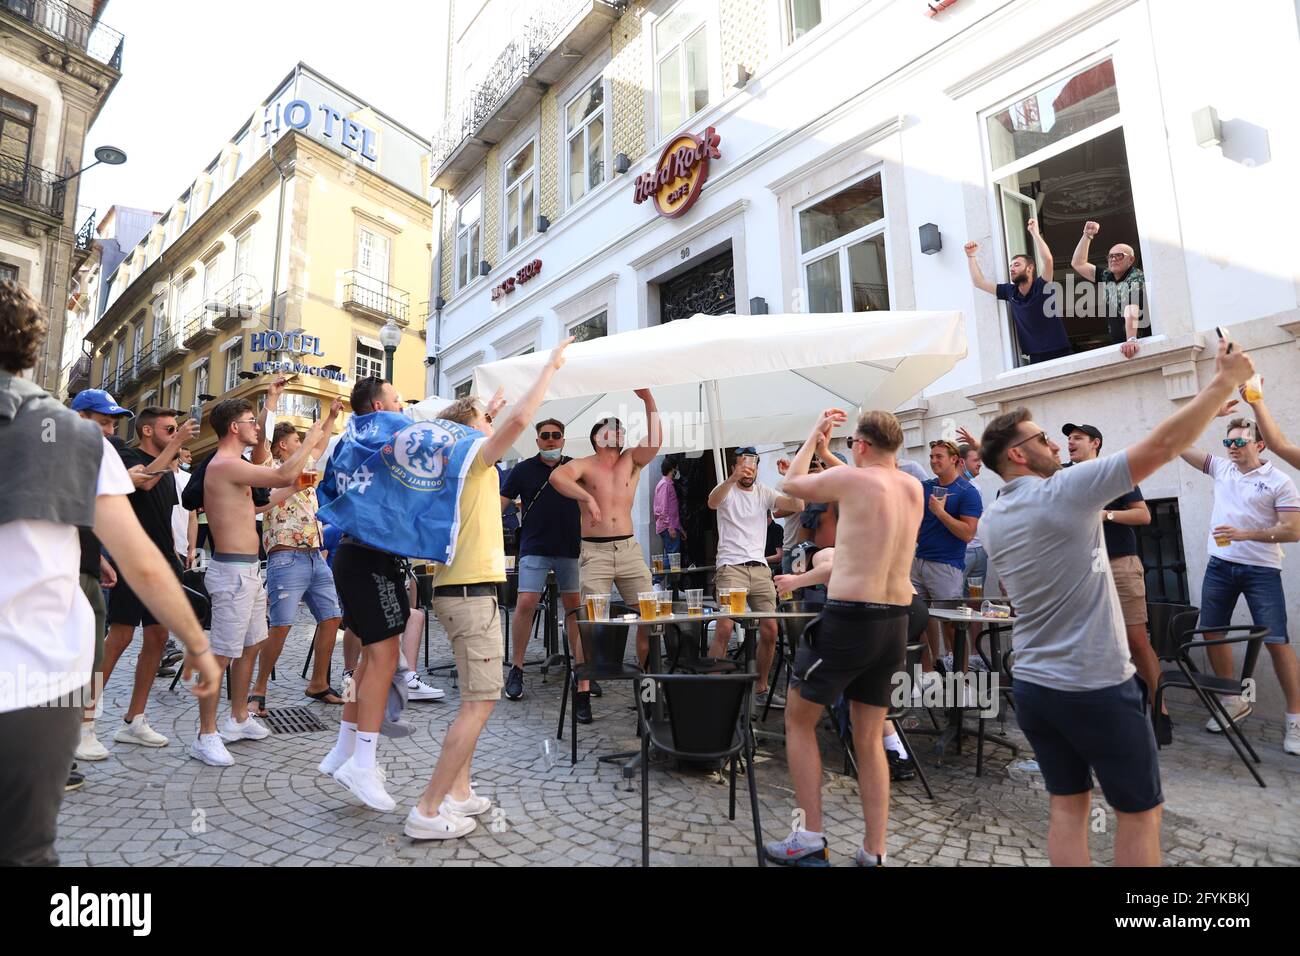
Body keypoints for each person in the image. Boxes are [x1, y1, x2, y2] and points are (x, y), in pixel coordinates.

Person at [977, 336, 1256, 866]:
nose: (1056, 446)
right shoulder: (1065, 490)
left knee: (1068, 807)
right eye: (1043, 438)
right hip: (1094, 686)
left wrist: (1202, 410)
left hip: (1035, 685)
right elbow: (1158, 447)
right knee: (1140, 812)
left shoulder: (993, 518)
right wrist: (1221, 380)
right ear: (1017, 453)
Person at [0, 280, 221, 866]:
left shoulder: (82, 437)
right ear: (29, 350)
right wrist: (199, 646)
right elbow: (143, 560)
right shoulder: (75, 438)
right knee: (24, 853)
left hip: (34, 678)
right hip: (30, 684)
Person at [405, 339, 572, 840]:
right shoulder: (474, 456)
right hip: (471, 596)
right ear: (471, 428)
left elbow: (494, 423)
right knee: (480, 701)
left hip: (459, 592)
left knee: (473, 700)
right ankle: (427, 808)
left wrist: (482, 411)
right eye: (484, 420)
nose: (492, 427)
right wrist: (549, 369)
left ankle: (459, 791)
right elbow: (521, 423)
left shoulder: (454, 459)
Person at [764, 408, 922, 867]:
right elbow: (860, 477)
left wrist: (812, 438)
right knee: (869, 737)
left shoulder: (855, 481)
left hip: (851, 618)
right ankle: (875, 851)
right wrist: (831, 453)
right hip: (894, 622)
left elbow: (792, 485)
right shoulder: (910, 485)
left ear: (863, 445)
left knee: (798, 720)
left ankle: (809, 835)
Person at [195, 398, 329, 765]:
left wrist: (294, 488)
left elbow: (258, 504)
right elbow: (281, 475)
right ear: (234, 428)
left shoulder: (234, 468)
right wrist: (311, 438)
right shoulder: (223, 464)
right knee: (220, 655)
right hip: (232, 573)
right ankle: (205, 735)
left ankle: (238, 718)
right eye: (251, 421)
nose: (257, 427)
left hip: (250, 570)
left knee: (252, 644)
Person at [316, 375, 412, 810]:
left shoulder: (348, 442)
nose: (403, 406)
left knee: (366, 661)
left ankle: (344, 746)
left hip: (355, 557)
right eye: (396, 400)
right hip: (370, 559)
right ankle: (363, 763)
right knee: (384, 658)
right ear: (378, 406)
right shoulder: (380, 434)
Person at [1178, 416, 1300, 755]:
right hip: (1220, 565)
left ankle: (1296, 720)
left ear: (1259, 445)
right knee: (1212, 631)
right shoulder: (1221, 469)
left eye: (1239, 442)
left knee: (1276, 641)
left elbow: (1293, 531)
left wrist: (1245, 535)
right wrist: (1209, 412)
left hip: (1261, 569)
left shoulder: (1279, 481)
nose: (1232, 448)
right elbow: (1177, 443)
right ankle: (1233, 701)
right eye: (1228, 442)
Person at [98, 405, 199, 751]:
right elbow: (142, 483)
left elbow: (165, 514)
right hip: (131, 559)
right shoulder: (126, 455)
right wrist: (176, 446)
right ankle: (82, 717)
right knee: (120, 637)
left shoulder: (169, 469)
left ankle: (134, 719)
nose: (175, 434)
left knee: (157, 638)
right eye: (169, 429)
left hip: (162, 562)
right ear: (147, 431)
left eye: (175, 429)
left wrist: (174, 557)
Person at [1063, 423, 1165, 740]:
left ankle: (1160, 712)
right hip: (1083, 569)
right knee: (1089, 641)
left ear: (1095, 442)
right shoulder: (1063, 475)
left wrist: (1105, 515)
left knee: (1136, 639)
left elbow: (1143, 515)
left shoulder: (1115, 471)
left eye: (1077, 438)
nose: (1070, 443)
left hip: (1120, 564)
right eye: (1068, 439)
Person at [549, 389, 662, 666]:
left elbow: (657, 440)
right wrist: (587, 497)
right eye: (613, 429)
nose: (620, 432)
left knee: (648, 614)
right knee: (590, 620)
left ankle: (646, 680)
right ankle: (584, 687)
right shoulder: (584, 465)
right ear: (598, 437)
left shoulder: (632, 459)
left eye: (621, 429)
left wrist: (648, 399)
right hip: (595, 552)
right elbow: (556, 477)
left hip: (628, 550)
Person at [248, 416, 347, 715]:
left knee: (332, 618)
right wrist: (270, 404)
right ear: (281, 445)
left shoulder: (306, 467)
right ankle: (258, 689)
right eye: (296, 441)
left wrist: (330, 417)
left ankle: (318, 683)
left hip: (315, 555)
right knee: (281, 625)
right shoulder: (269, 468)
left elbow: (321, 442)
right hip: (286, 555)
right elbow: (262, 442)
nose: (303, 444)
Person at [708, 445, 812, 706]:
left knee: (770, 629)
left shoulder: (763, 491)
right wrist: (731, 479)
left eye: (753, 464)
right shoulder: (727, 490)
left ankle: (761, 688)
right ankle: (713, 687)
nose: (748, 469)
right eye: (743, 464)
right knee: (725, 626)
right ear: (734, 467)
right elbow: (712, 501)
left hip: (760, 569)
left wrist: (790, 480)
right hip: (731, 567)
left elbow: (798, 505)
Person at [499, 418, 589, 717]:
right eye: (545, 436)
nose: (551, 441)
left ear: (563, 439)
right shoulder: (523, 469)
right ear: (537, 440)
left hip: (568, 547)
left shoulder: (576, 468)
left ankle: (581, 671)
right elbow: (500, 503)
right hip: (534, 547)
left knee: (574, 608)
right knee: (525, 602)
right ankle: (517, 668)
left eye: (556, 436)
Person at [68, 390, 132, 763]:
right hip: (65, 570)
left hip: (87, 565)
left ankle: (82, 729)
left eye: (112, 423)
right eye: (103, 421)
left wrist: (99, 557)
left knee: (91, 652)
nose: (110, 430)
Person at [912, 439, 982, 670]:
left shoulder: (967, 492)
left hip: (946, 566)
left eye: (939, 456)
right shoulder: (926, 486)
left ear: (954, 460)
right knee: (915, 621)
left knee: (952, 626)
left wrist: (940, 513)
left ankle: (959, 682)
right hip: (918, 562)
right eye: (931, 456)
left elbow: (968, 534)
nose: (933, 461)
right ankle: (928, 673)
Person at [965, 219, 1071, 364]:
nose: (1012, 269)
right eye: (1010, 266)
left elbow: (1048, 260)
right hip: (1035, 355)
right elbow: (979, 282)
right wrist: (971, 256)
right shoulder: (1010, 291)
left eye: (1016, 265)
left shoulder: (1042, 286)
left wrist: (1034, 232)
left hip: (1059, 350)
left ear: (1030, 268)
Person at [1070, 221, 1145, 357]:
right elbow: (1078, 263)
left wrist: (1131, 340)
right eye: (1110, 256)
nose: (1113, 259)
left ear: (1131, 260)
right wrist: (1087, 236)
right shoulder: (1107, 276)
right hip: (1121, 348)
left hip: (1139, 347)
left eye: (1119, 255)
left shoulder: (1136, 276)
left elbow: (1131, 309)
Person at [957, 443, 988, 593]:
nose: (980, 464)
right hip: (962, 552)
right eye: (976, 460)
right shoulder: (950, 487)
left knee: (976, 599)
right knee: (956, 599)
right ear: (961, 462)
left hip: (980, 550)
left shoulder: (976, 486)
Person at [653, 458, 685, 583]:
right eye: (676, 468)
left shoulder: (668, 484)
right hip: (668, 527)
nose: (677, 471)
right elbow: (663, 508)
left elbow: (672, 510)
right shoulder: (665, 485)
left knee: (671, 557)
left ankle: (671, 586)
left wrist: (679, 528)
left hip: (672, 526)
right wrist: (670, 527)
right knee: (672, 558)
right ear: (672, 469)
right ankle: (655, 581)